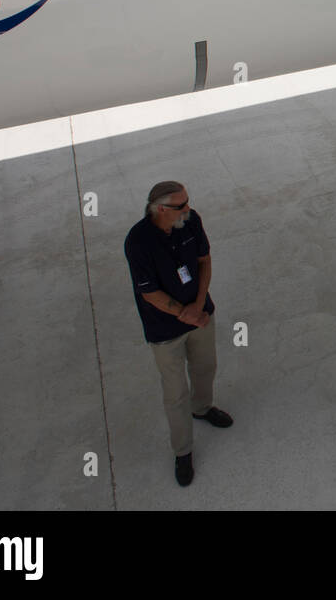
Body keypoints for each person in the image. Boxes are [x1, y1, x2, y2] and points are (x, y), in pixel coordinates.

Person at [124, 181, 233, 488]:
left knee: (205, 367)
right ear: (160, 209)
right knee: (175, 392)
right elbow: (149, 293)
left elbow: (204, 261)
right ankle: (183, 451)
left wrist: (198, 306)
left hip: (199, 315)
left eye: (187, 202)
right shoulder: (138, 241)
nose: (188, 209)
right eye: (180, 206)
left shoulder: (191, 221)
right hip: (165, 330)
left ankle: (203, 408)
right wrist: (182, 313)